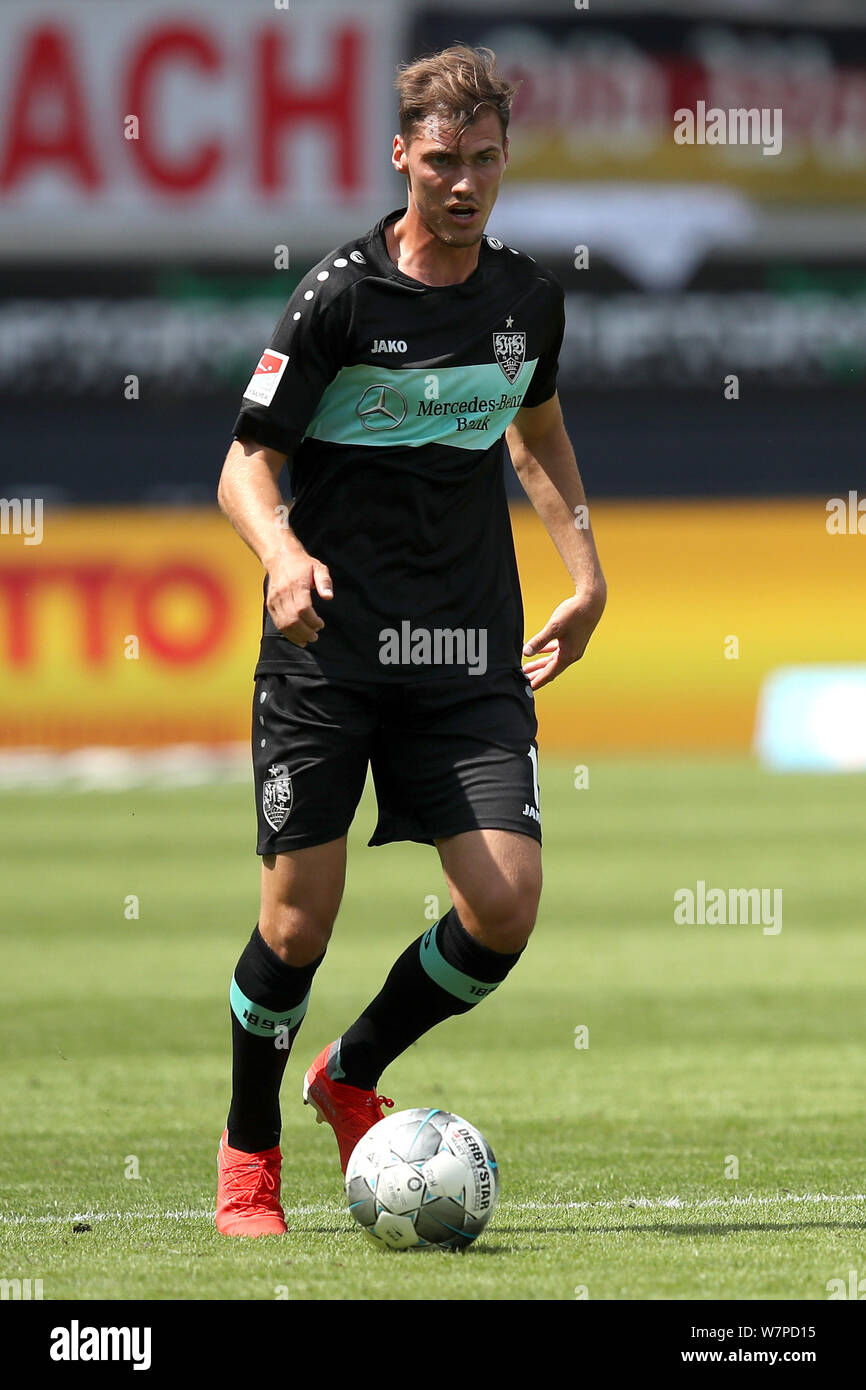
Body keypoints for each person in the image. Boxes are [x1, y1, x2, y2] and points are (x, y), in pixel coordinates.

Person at [214, 43, 606, 1236]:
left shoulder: (524, 299)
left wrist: (583, 569)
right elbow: (244, 464)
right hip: (329, 653)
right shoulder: (336, 296)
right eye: (441, 161)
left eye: (484, 160)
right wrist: (282, 554)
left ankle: (351, 1068)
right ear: (400, 158)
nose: (464, 183)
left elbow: (534, 434)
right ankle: (249, 1156)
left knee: (506, 907)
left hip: (464, 659)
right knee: (297, 923)